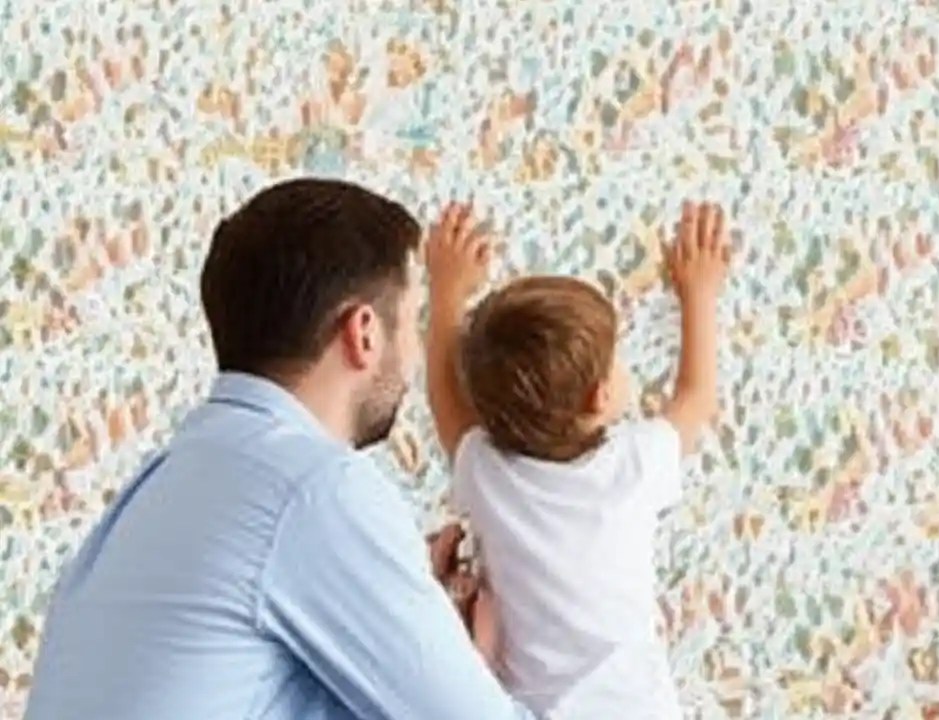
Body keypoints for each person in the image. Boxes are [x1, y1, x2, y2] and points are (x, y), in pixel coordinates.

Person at [23, 178, 534, 720]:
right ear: (363, 333)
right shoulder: (313, 489)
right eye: (411, 323)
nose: (410, 352)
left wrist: (422, 633)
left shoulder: (165, 484)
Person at [423, 200, 731, 718]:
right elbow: (696, 396)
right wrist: (699, 293)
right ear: (600, 397)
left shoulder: (485, 472)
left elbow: (444, 397)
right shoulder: (636, 465)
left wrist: (446, 290)